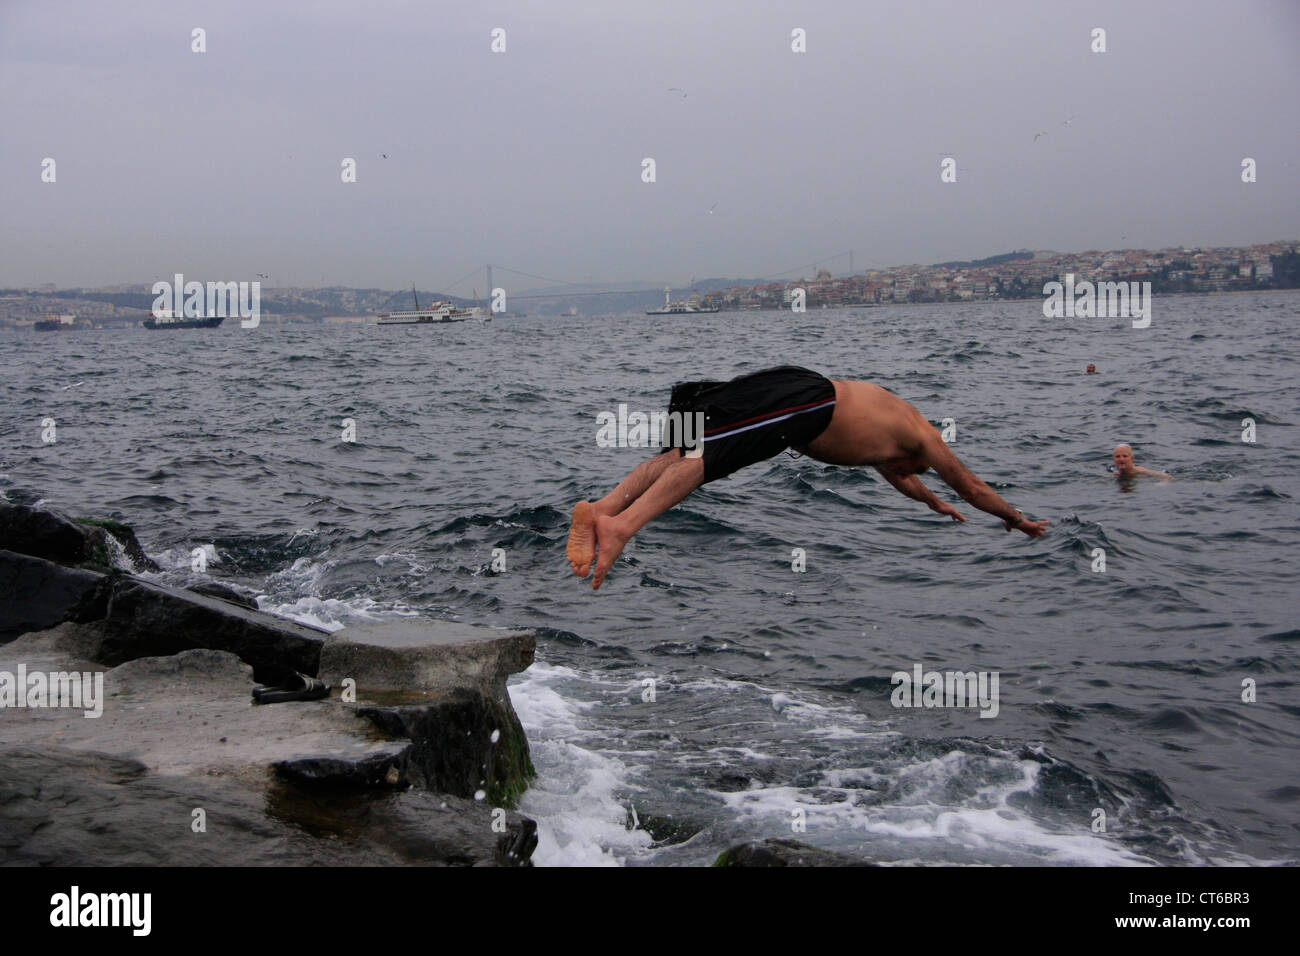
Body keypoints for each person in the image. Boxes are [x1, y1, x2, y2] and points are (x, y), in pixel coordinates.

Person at [567, 366, 1048, 590]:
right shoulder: (924, 440)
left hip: (793, 388)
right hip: (807, 403)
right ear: (919, 458)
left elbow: (899, 477)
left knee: (683, 449)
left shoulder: (889, 443)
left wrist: (931, 504)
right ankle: (621, 527)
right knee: (708, 459)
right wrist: (1016, 518)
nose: (905, 475)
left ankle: (602, 509)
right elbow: (972, 486)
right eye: (915, 474)